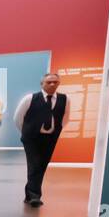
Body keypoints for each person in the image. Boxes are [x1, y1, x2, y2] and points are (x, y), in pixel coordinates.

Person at [14, 72, 68, 207]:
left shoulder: (65, 99)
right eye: (48, 82)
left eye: (55, 82)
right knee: (35, 165)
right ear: (42, 84)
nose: (52, 84)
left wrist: (55, 132)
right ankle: (34, 196)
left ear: (59, 83)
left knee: (42, 166)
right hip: (31, 138)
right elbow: (18, 118)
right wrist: (26, 133)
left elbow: (64, 119)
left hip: (50, 138)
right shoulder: (30, 98)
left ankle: (29, 194)